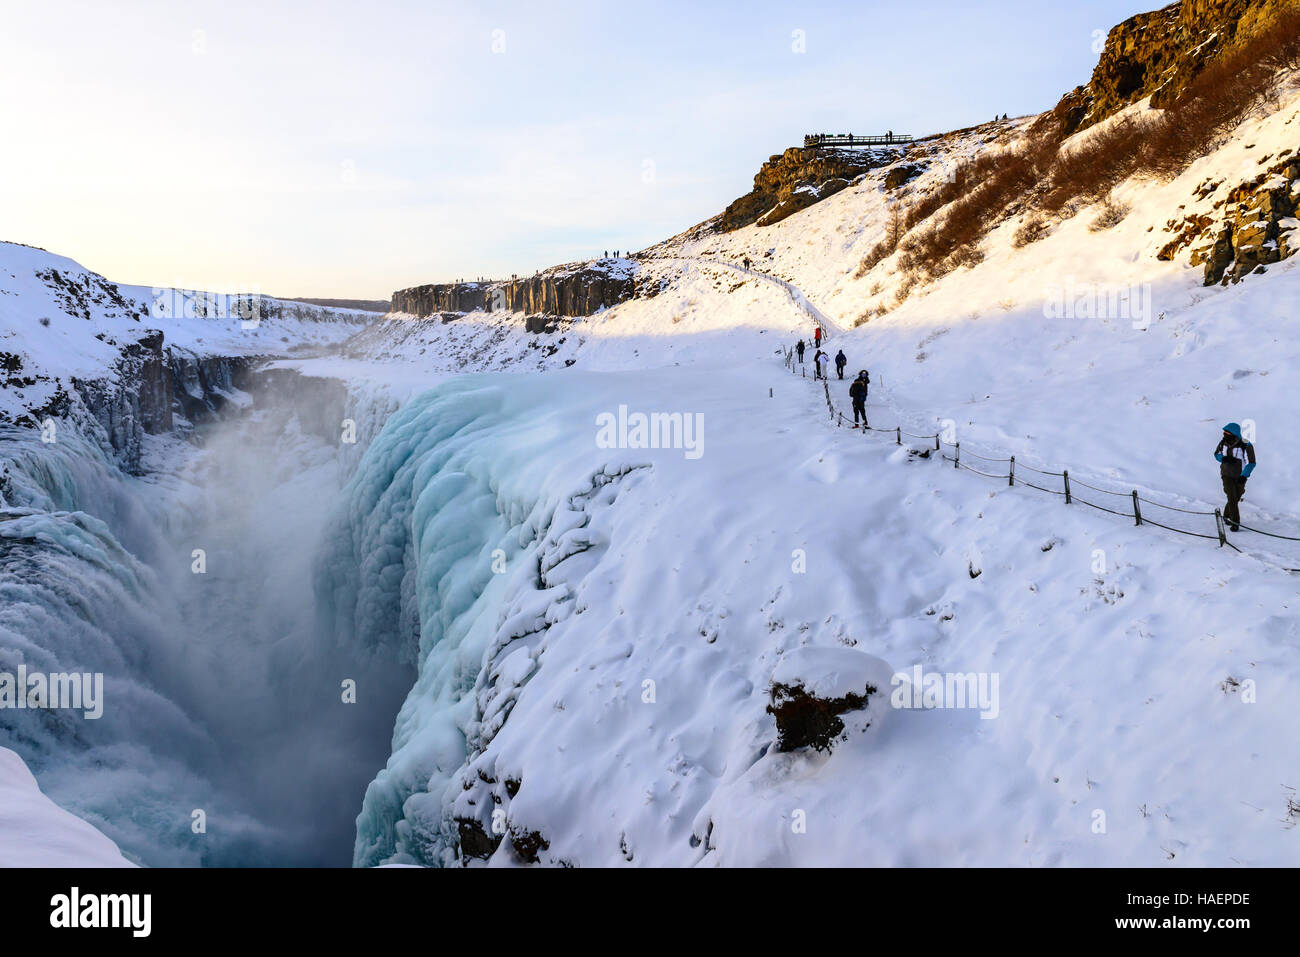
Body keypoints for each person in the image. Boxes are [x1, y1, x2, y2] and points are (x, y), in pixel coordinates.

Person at [1214, 422, 1256, 531]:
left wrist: (1244, 476)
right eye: (1224, 432)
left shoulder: (1245, 444)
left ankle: (1226, 515)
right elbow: (1216, 454)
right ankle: (1235, 522)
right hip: (1226, 474)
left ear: (1234, 433)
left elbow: (1251, 462)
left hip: (1240, 476)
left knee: (1236, 497)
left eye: (1227, 433)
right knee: (1231, 497)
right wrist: (1223, 458)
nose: (1224, 435)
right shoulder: (1223, 442)